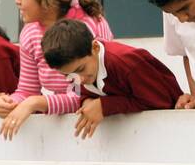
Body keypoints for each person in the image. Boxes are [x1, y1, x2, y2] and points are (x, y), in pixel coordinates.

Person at [0, 0, 113, 139]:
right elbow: (27, 91)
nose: (17, 1)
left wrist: (34, 103)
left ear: (48, 1)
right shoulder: (29, 33)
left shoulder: (86, 28)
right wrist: (11, 103)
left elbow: (85, 95)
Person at [42, 19, 183, 138]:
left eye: (80, 69)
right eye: (68, 75)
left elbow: (160, 101)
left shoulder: (126, 63)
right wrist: (87, 102)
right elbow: (87, 94)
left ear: (95, 48)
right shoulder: (86, 71)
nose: (79, 79)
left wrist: (104, 106)